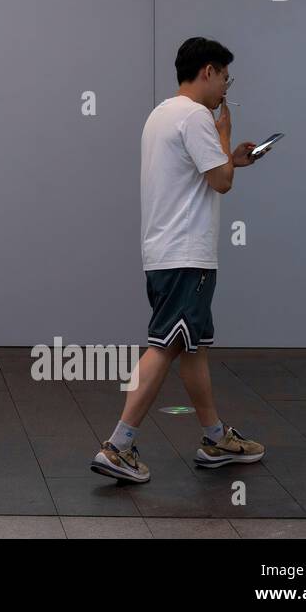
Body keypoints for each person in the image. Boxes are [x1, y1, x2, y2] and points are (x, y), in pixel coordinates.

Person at [90, 37, 267, 484]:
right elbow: (221, 183)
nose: (227, 87)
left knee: (193, 348)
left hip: (165, 252)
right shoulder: (197, 117)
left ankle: (214, 439)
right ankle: (118, 445)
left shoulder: (162, 113)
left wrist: (229, 158)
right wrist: (225, 134)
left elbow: (207, 172)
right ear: (207, 71)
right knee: (167, 344)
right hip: (187, 253)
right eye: (226, 77)